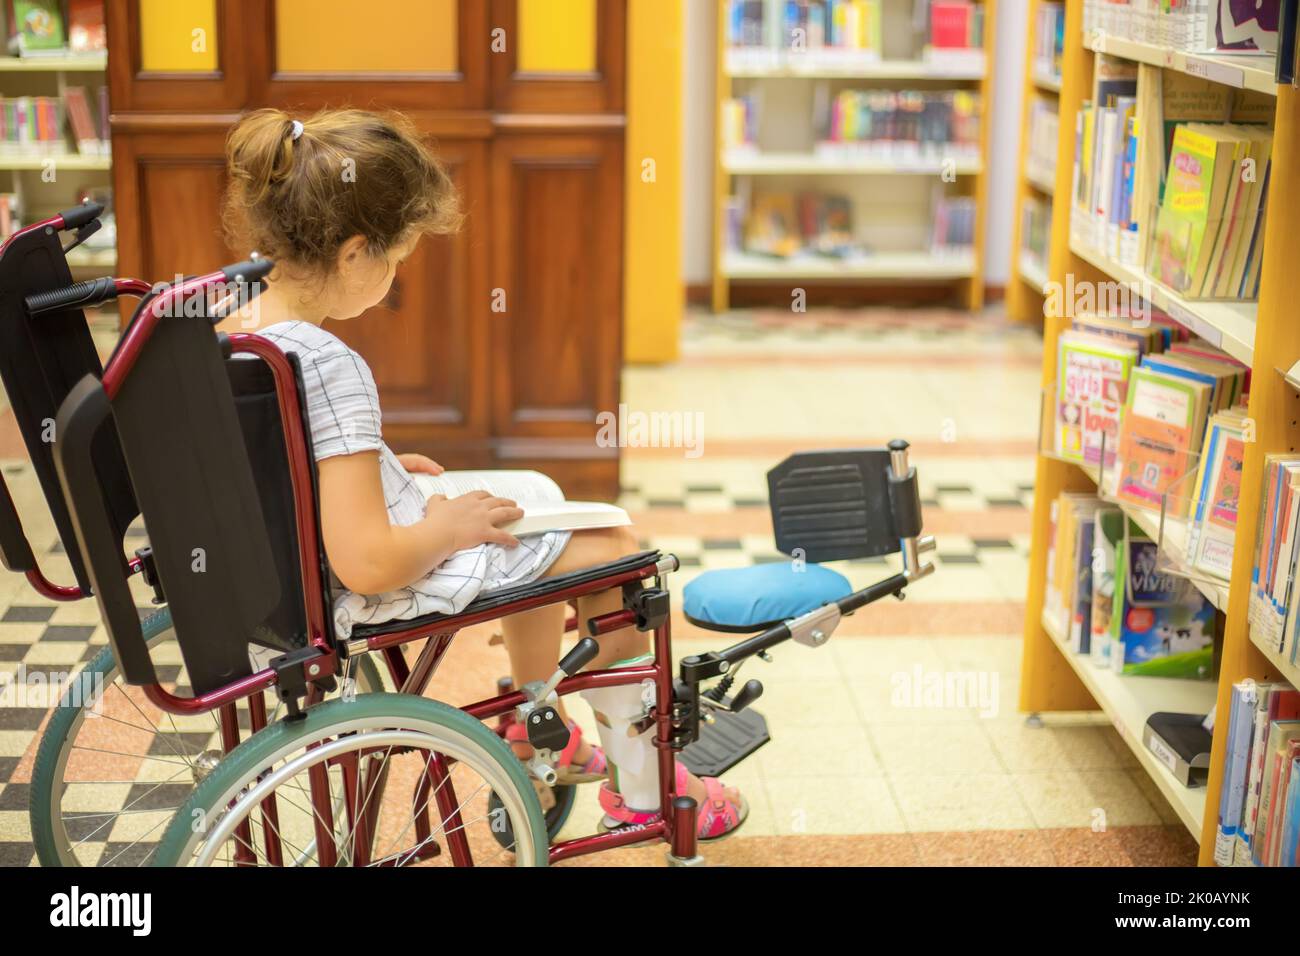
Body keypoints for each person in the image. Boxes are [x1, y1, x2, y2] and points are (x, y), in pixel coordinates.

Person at [215, 108, 746, 840]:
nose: (396, 276)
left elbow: (270, 456)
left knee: (529, 495)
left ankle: (538, 716)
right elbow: (370, 565)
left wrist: (361, 468)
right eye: (397, 259)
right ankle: (644, 783)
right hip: (353, 585)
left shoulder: (226, 317)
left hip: (272, 572)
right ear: (355, 253)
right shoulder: (330, 363)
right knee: (621, 553)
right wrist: (445, 525)